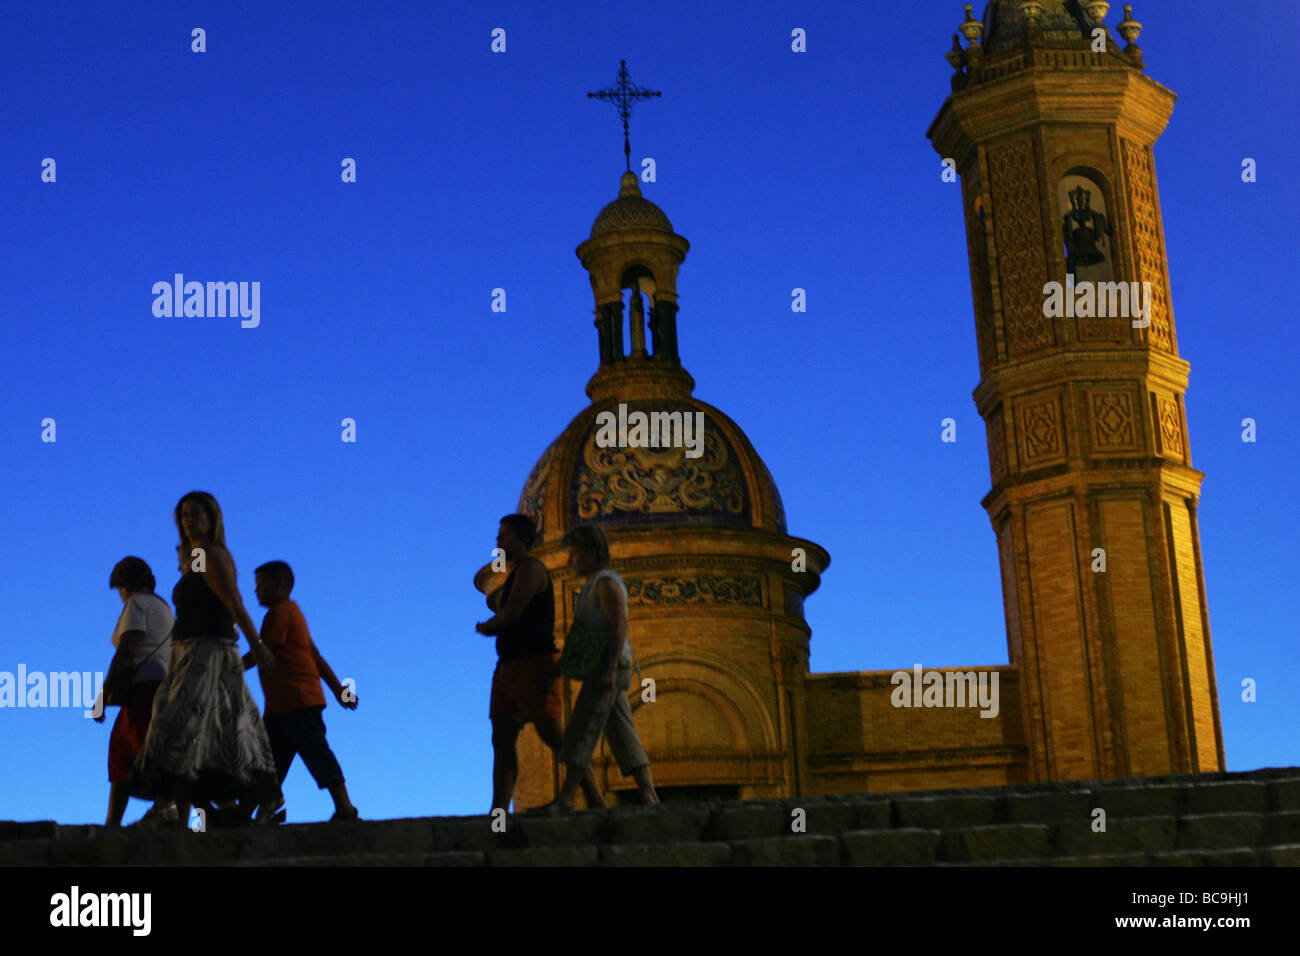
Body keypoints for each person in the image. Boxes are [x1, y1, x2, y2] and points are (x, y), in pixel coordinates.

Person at [128, 491, 280, 826]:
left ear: (212, 518)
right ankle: (192, 812)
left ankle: (168, 807)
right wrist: (185, 563)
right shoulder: (196, 556)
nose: (189, 520)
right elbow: (201, 592)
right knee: (208, 727)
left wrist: (256, 644)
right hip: (190, 650)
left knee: (177, 719)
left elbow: (233, 601)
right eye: (184, 515)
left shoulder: (210, 553)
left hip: (207, 651)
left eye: (196, 514)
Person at [474, 514, 604, 813]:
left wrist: (489, 626)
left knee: (553, 735)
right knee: (502, 738)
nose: (498, 541)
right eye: (498, 535)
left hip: (535, 664)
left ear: (523, 540)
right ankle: (498, 811)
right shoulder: (518, 572)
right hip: (509, 665)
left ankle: (595, 799)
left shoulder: (531, 569)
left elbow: (512, 612)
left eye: (505, 535)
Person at [533, 524, 658, 813]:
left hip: (607, 666)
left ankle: (566, 798)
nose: (571, 561)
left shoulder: (606, 584)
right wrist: (556, 672)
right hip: (605, 666)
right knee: (622, 730)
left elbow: (618, 626)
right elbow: (583, 637)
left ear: (593, 552)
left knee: (582, 728)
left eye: (575, 554)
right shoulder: (595, 585)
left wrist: (609, 670)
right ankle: (649, 795)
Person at [241, 560, 359, 822]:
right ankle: (244, 812)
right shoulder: (292, 614)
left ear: (279, 585)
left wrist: (233, 667)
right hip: (283, 706)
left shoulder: (281, 612)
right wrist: (338, 689)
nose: (256, 591)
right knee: (269, 763)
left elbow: (265, 650)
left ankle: (345, 807)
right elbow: (315, 656)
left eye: (260, 585)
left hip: (298, 702)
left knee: (315, 753)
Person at [97, 557, 174, 826]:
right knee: (135, 747)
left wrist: (103, 695)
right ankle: (118, 821)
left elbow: (127, 650)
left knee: (128, 750)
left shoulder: (137, 604)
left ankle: (163, 807)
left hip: (143, 687)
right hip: (163, 684)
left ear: (124, 586)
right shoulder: (165, 609)